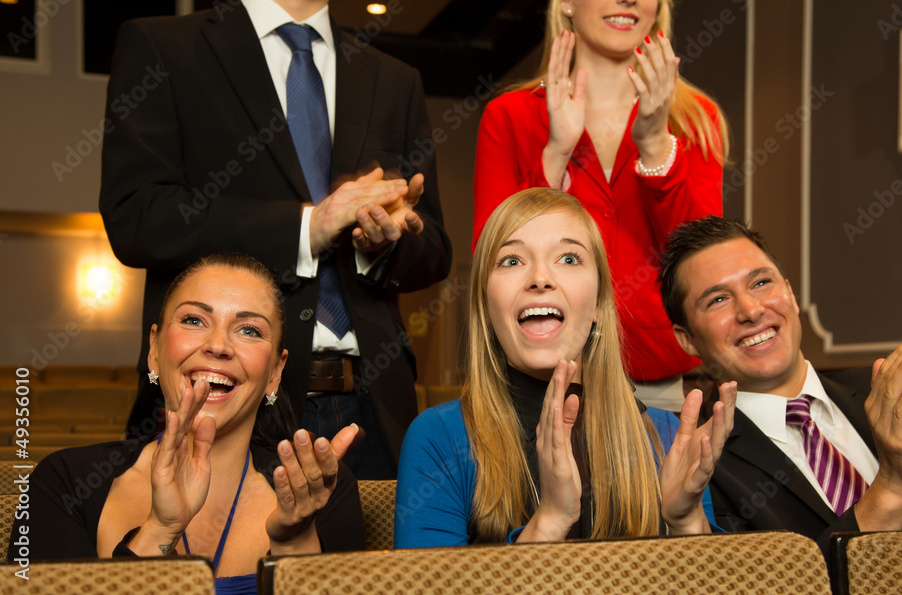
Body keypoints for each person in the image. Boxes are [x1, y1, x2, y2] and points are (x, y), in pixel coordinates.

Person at [99, 0, 452, 479]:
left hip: (375, 411)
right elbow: (137, 216)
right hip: (222, 400)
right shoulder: (163, 46)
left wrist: (381, 244)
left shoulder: (394, 77)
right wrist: (307, 227)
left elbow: (433, 250)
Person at [394, 188, 735, 547]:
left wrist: (687, 524)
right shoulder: (439, 438)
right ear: (486, 308)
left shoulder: (670, 440)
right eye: (512, 261)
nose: (540, 278)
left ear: (600, 305)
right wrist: (550, 522)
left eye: (569, 259)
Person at [8, 254, 364, 592]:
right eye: (194, 320)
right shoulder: (65, 482)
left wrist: (295, 544)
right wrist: (161, 531)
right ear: (154, 350)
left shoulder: (318, 489)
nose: (218, 345)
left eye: (250, 330)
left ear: (275, 372)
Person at [658, 216, 902, 549]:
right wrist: (892, 490)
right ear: (686, 339)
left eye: (761, 283)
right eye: (718, 299)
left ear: (790, 294)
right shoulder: (701, 466)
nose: (750, 309)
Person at [472, 0, 729, 411]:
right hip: (539, 373)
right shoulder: (509, 115)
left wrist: (655, 146)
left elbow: (703, 263)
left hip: (658, 379)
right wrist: (555, 152)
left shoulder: (696, 118)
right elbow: (492, 257)